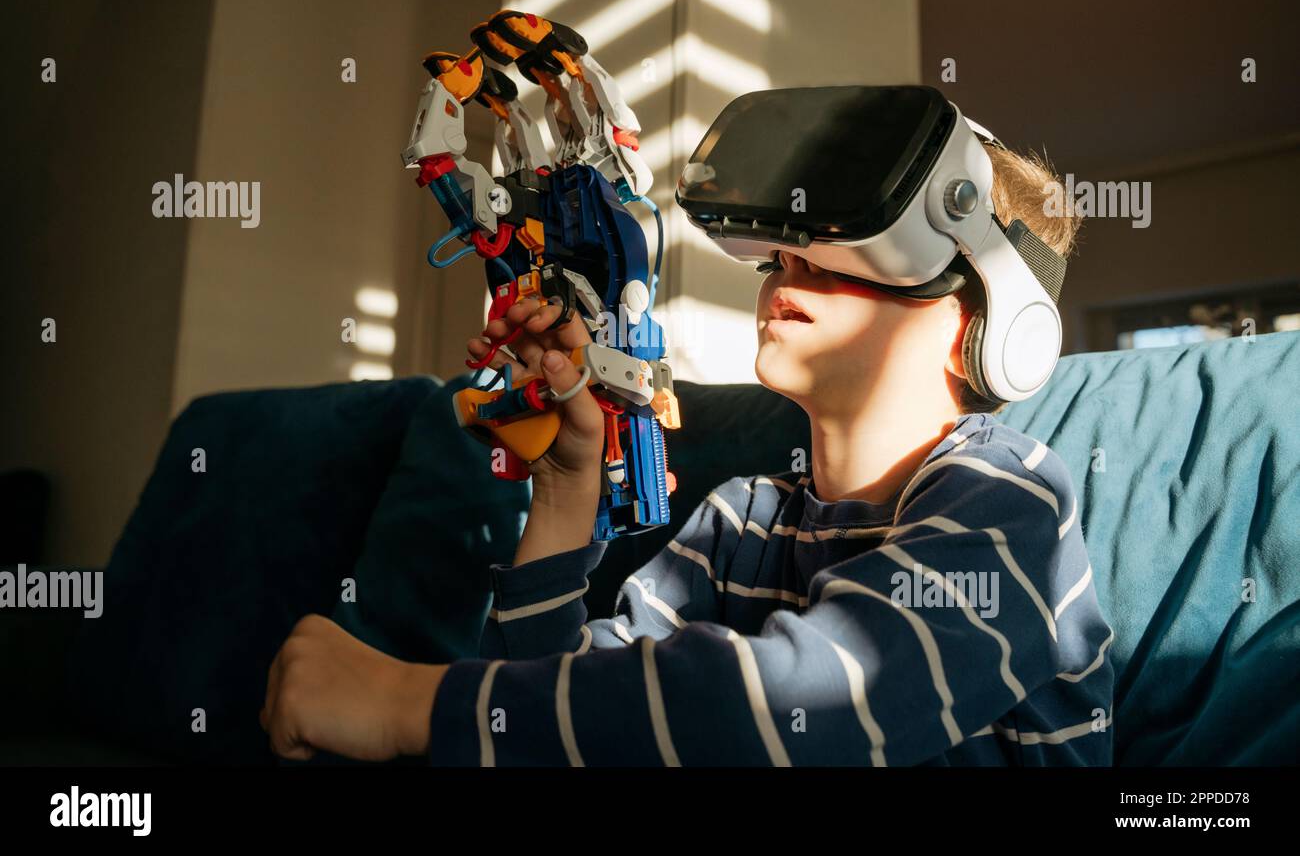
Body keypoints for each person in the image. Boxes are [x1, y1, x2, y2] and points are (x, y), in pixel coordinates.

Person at [260, 145, 1113, 766]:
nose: (791, 266)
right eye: (788, 249)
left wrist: (408, 703)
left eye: (858, 250)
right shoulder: (742, 517)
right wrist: (564, 492)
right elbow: (565, 724)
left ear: (985, 322)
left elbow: (811, 704)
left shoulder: (1010, 503)